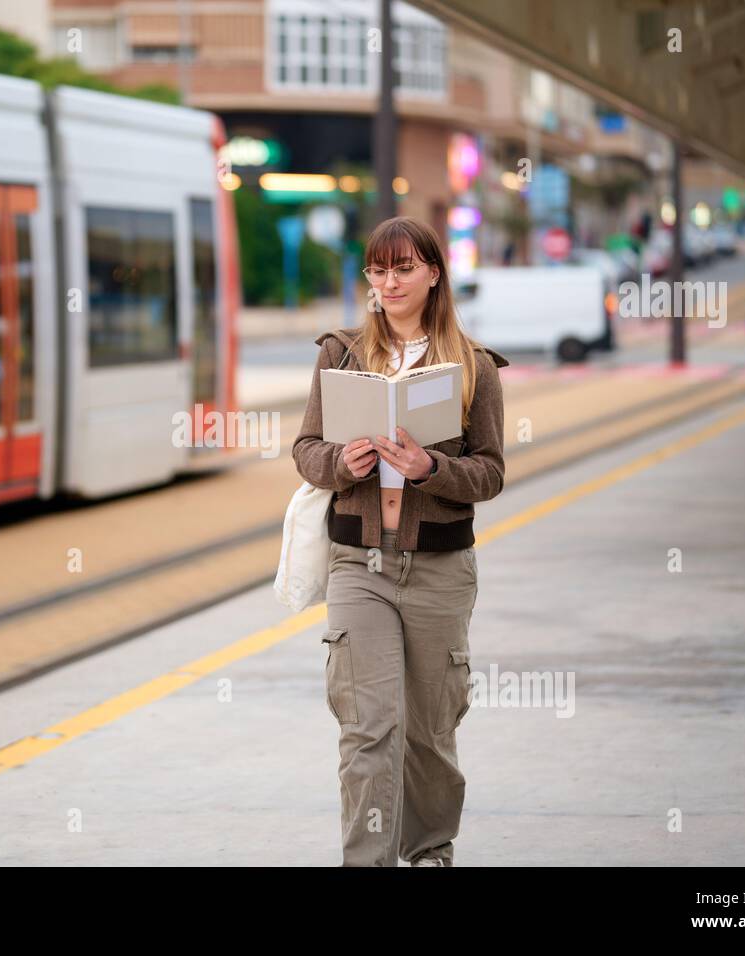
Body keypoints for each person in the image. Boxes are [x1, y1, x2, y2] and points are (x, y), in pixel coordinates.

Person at [292, 216, 508, 867]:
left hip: (440, 568)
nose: (389, 281)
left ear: (434, 273)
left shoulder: (474, 368)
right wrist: (341, 464)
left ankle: (431, 849)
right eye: (378, 270)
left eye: (404, 268)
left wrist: (430, 469)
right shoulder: (340, 354)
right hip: (359, 564)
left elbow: (491, 472)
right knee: (368, 730)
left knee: (430, 736)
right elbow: (305, 450)